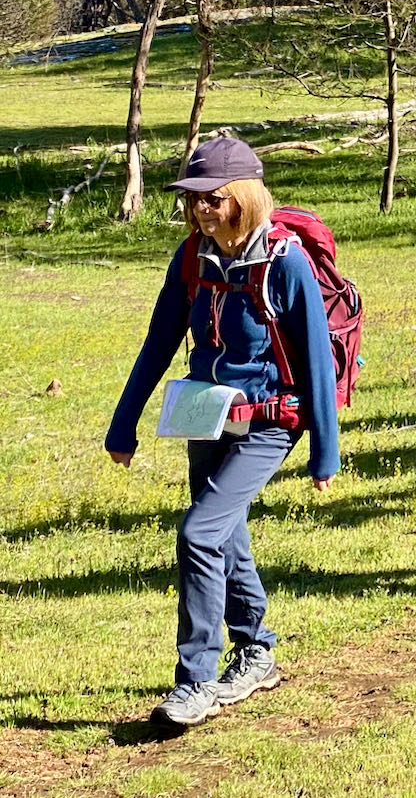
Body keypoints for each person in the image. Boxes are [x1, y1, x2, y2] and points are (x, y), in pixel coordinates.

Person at [105, 137, 341, 728]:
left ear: (243, 197)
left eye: (213, 199)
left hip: (268, 424)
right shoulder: (191, 258)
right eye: (194, 200)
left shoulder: (285, 263)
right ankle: (257, 647)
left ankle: (196, 682)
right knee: (224, 533)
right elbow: (159, 341)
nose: (201, 210)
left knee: (199, 532)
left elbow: (317, 359)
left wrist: (324, 453)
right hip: (204, 416)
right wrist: (123, 423)